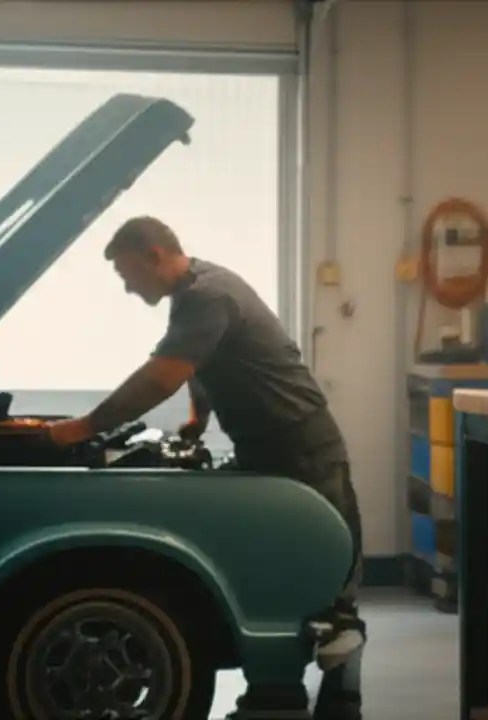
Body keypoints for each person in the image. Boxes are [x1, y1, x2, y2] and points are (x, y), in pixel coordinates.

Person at [46, 216, 365, 720]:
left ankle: (340, 699)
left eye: (130, 276)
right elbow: (202, 364)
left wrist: (86, 426)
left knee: (328, 580)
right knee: (275, 565)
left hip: (301, 446)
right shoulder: (194, 295)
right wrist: (199, 420)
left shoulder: (207, 294)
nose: (129, 289)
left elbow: (163, 376)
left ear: (154, 255)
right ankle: (277, 690)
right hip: (270, 444)